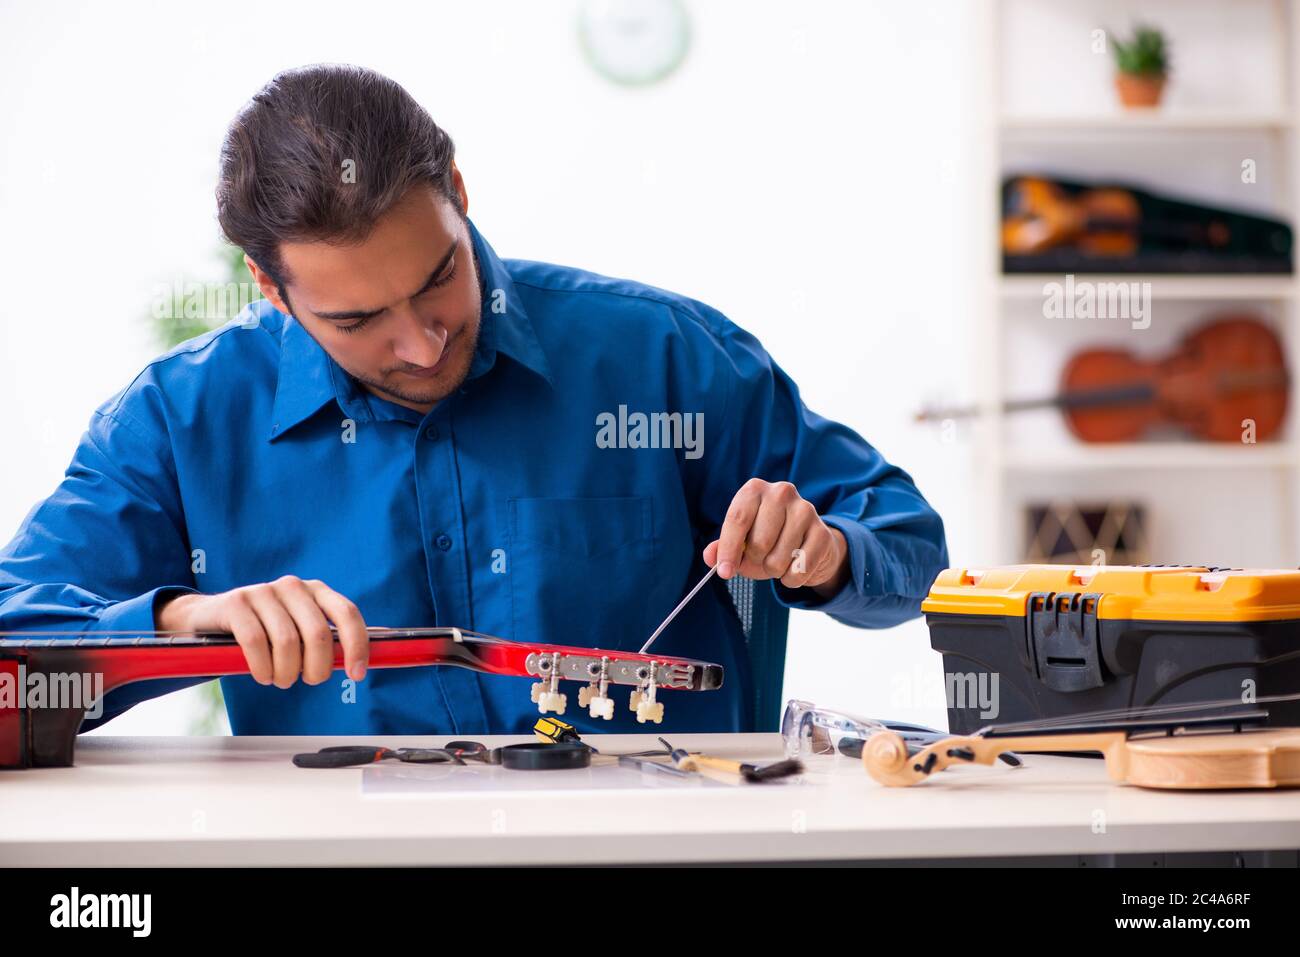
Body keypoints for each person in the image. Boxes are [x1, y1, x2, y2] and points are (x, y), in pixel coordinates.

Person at [0, 64, 947, 734]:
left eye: (438, 278)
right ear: (268, 285)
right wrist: (178, 624)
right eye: (358, 318)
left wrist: (824, 557)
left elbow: (913, 549)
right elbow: (13, 645)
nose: (419, 343)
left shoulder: (662, 356)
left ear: (457, 190)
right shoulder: (179, 420)